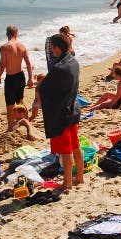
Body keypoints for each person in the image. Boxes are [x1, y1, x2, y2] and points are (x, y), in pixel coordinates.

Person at [38, 33, 83, 190]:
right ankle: (80, 177)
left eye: (52, 48)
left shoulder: (59, 68)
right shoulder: (74, 62)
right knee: (76, 145)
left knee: (66, 150)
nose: (52, 51)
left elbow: (44, 89)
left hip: (63, 113)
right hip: (74, 108)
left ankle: (67, 182)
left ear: (57, 48)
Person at [0, 26, 34, 129]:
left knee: (10, 106)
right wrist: (30, 78)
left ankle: (10, 128)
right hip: (21, 76)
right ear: (16, 33)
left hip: (11, 78)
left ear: (6, 34)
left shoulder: (4, 47)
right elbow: (28, 63)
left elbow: (2, 65)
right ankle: (27, 124)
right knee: (20, 102)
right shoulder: (22, 46)